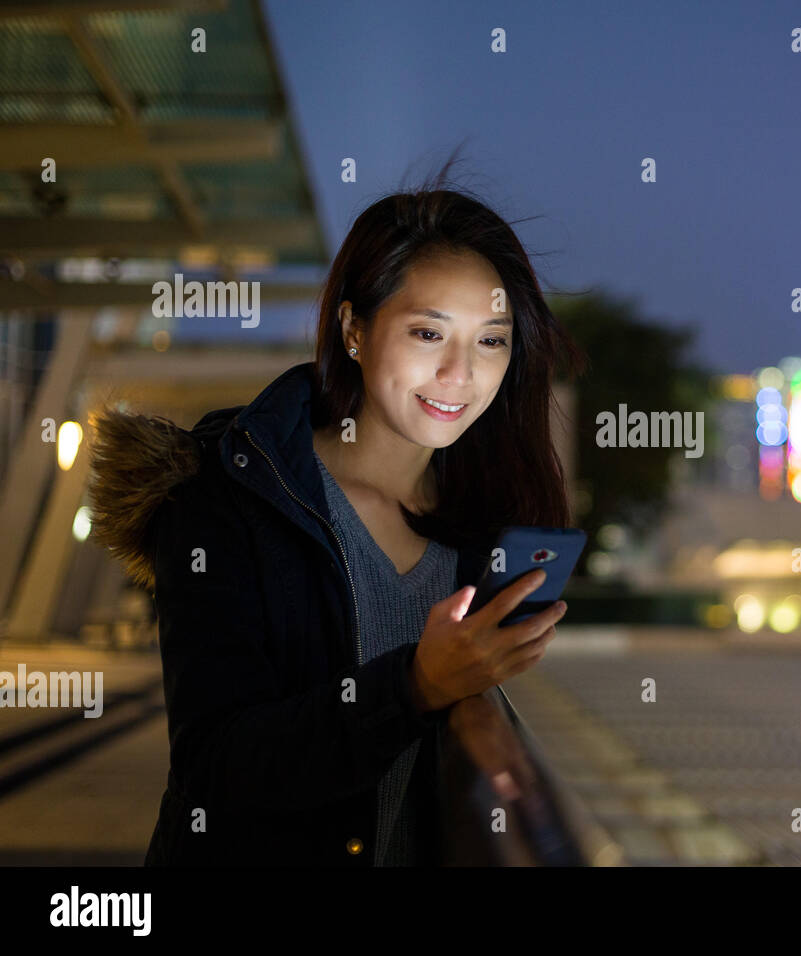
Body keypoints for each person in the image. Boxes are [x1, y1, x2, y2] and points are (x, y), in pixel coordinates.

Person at [87, 157, 586, 865]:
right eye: (427, 333)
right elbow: (215, 766)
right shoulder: (231, 498)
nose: (460, 374)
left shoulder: (482, 526)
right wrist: (417, 685)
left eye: (491, 341)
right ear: (354, 330)